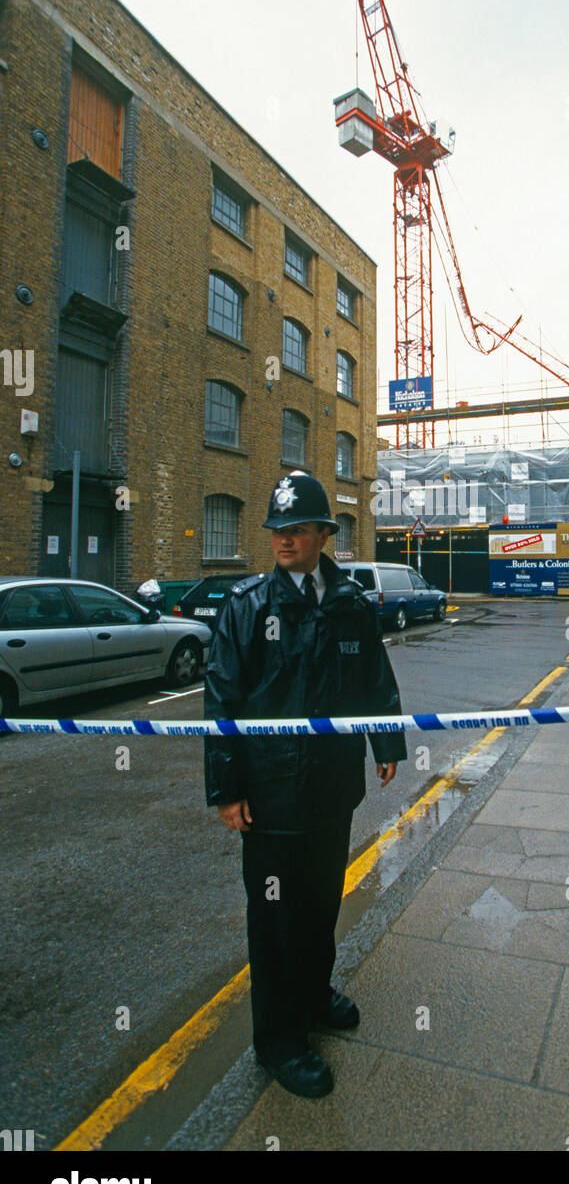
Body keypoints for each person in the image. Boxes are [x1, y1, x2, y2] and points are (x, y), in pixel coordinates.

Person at [203, 471, 407, 1098]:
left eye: (296, 530)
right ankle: (280, 1041)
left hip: (331, 789)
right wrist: (227, 788)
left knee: (320, 904)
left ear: (325, 534)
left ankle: (315, 997)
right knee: (274, 921)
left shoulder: (349, 602)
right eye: (277, 531)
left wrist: (387, 743)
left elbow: (375, 677)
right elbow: (222, 699)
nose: (283, 540)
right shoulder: (248, 607)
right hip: (271, 796)